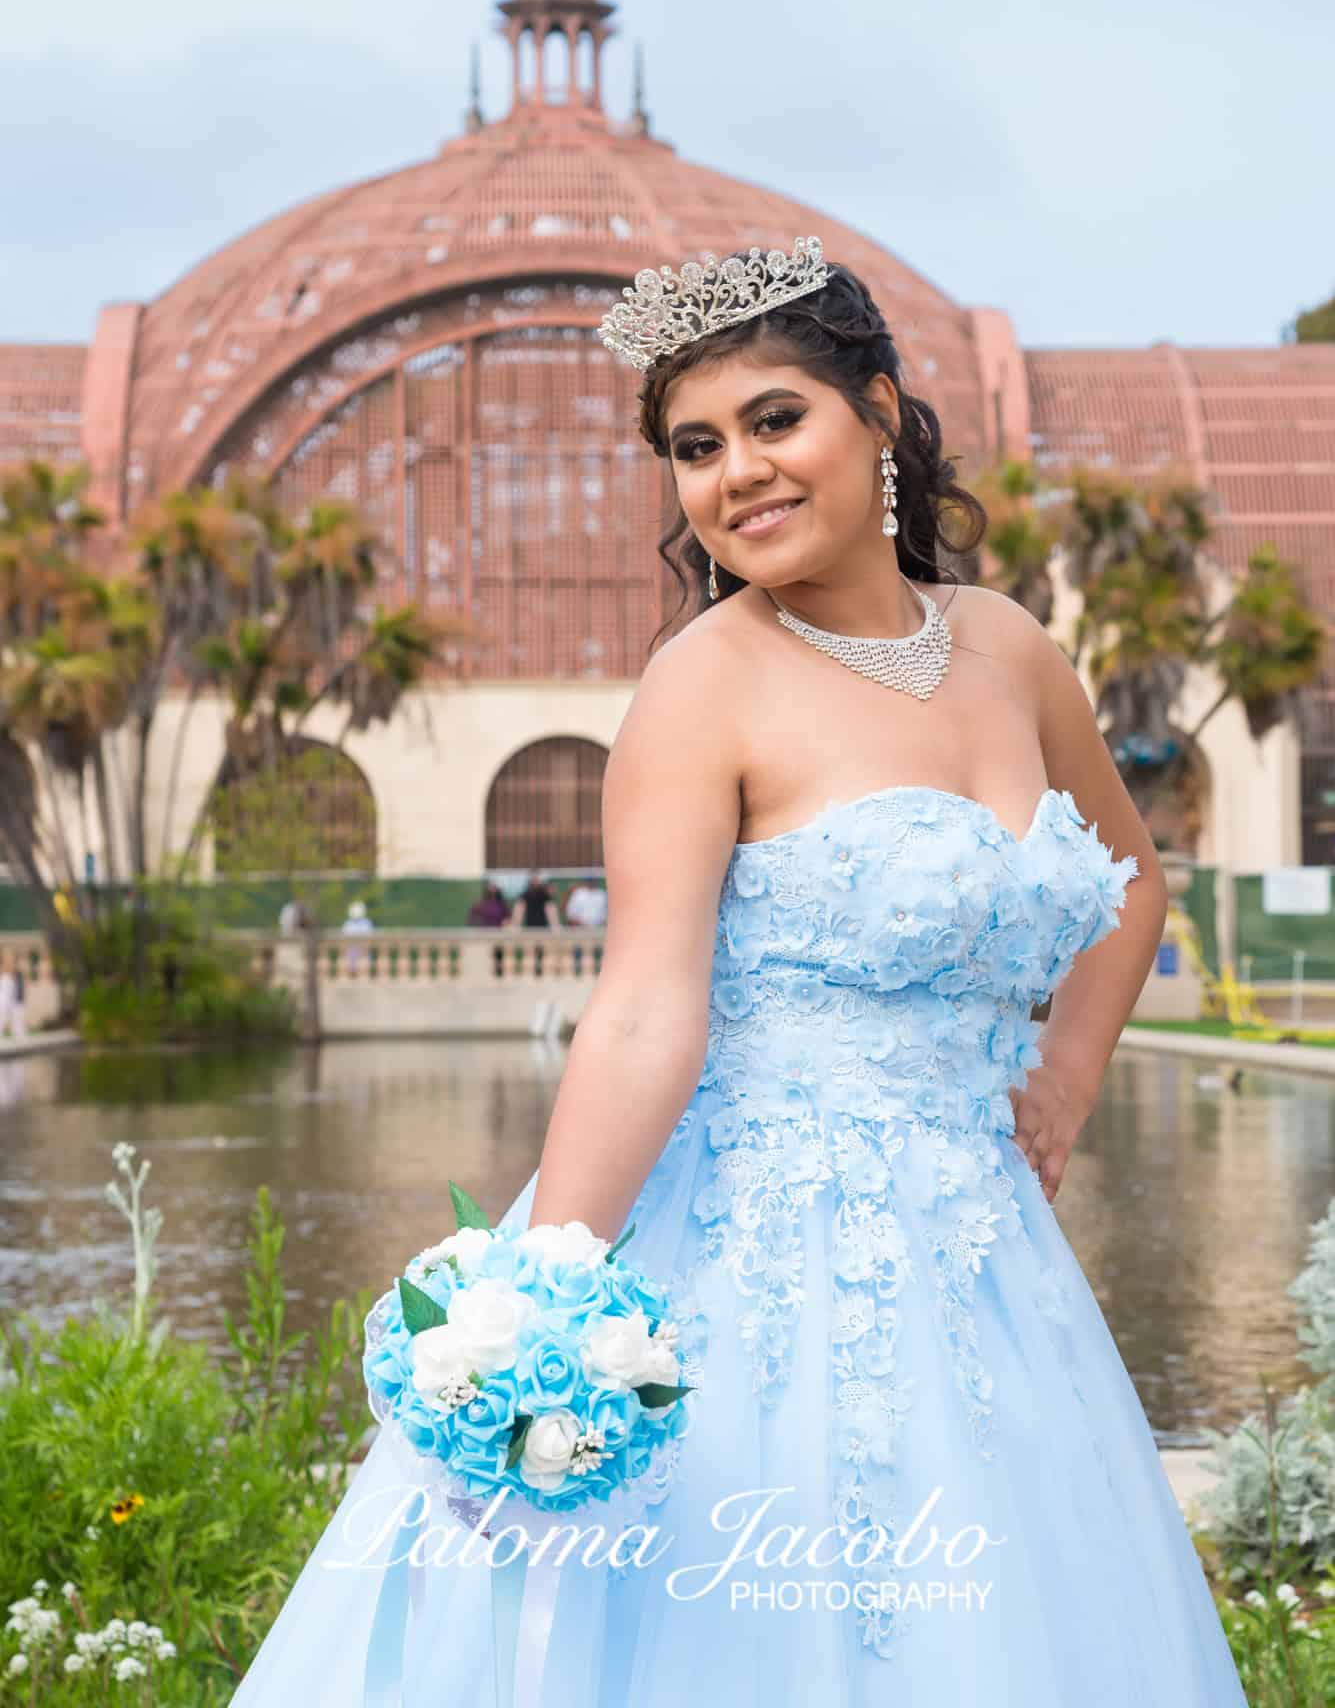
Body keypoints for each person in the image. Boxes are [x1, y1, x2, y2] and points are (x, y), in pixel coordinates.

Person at [228, 240, 1247, 1703]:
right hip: (742, 1257)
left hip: (978, 1257)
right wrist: (539, 1308)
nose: (735, 474)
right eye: (694, 448)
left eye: (775, 421)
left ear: (878, 414)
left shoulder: (1010, 650)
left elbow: (1130, 883)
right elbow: (645, 1005)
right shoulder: (704, 678)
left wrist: (1062, 1081)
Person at [340, 898, 373, 977]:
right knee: (351, 971)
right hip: (351, 951)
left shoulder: (366, 923)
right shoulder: (348, 924)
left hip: (363, 951)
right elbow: (343, 940)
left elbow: (370, 940)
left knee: (363, 971)